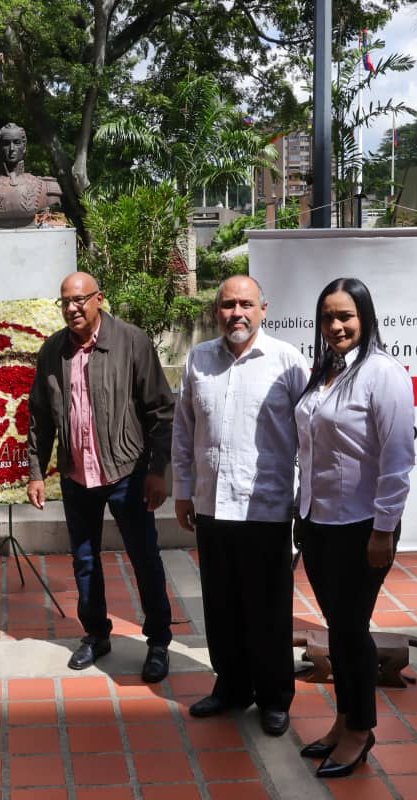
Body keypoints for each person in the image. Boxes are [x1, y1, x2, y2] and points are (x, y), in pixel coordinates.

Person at [171, 275, 308, 735]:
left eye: (246, 304)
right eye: (228, 305)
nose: (237, 313)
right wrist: (183, 491)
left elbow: (310, 438)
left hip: (266, 509)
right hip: (211, 506)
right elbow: (184, 432)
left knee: (268, 609)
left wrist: (304, 500)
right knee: (222, 606)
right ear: (216, 311)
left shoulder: (288, 362)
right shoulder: (199, 360)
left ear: (263, 310)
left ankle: (274, 696)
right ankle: (231, 687)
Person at [27, 271, 175, 682]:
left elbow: (161, 411)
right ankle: (96, 633)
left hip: (127, 471)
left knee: (144, 557)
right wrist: (36, 472)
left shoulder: (131, 341)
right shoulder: (52, 351)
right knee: (85, 560)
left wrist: (158, 471)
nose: (72, 308)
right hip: (77, 474)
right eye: (65, 301)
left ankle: (159, 640)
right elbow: (39, 417)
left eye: (80, 300)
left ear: (99, 299)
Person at [294, 277, 414, 778]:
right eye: (327, 317)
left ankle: (361, 731)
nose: (336, 326)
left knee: (351, 631)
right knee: (340, 632)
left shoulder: (383, 374)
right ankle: (343, 720)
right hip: (318, 522)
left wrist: (383, 529)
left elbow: (398, 459)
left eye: (346, 316)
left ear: (364, 317)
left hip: (363, 526)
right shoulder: (326, 371)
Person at [0, 122, 62, 228]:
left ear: (24, 147)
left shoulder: (46, 187)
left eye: (17, 142)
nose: (11, 149)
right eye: (6, 143)